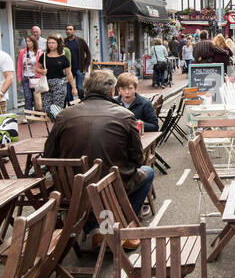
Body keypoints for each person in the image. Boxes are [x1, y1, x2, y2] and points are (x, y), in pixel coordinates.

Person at [43, 68, 155, 243]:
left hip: (72, 186)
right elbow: (137, 159)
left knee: (91, 185)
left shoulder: (64, 115)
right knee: (147, 172)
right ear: (112, 91)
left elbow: (49, 155)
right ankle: (124, 221)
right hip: (114, 183)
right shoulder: (125, 116)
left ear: (85, 90)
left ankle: (94, 227)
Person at [39, 34, 76, 118]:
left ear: (58, 44)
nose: (51, 45)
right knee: (46, 108)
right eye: (49, 43)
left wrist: (73, 87)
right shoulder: (44, 56)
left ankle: (58, 127)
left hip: (59, 84)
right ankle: (58, 124)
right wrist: (42, 71)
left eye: (53, 43)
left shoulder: (63, 58)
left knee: (57, 108)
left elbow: (69, 73)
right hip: (46, 84)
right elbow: (37, 68)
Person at [65, 23, 91, 101]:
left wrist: (86, 67)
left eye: (70, 29)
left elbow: (88, 53)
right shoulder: (64, 42)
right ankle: (70, 105)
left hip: (79, 68)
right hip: (68, 69)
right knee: (68, 88)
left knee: (80, 88)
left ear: (74, 31)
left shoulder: (80, 41)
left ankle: (82, 102)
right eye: (67, 29)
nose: (68, 31)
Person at [17, 34, 41, 111]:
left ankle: (37, 113)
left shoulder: (39, 52)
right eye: (26, 41)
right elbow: (19, 65)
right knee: (28, 97)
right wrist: (19, 77)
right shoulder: (22, 52)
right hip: (26, 77)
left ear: (34, 42)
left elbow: (41, 65)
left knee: (36, 97)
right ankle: (28, 114)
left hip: (36, 77)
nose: (27, 43)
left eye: (29, 41)